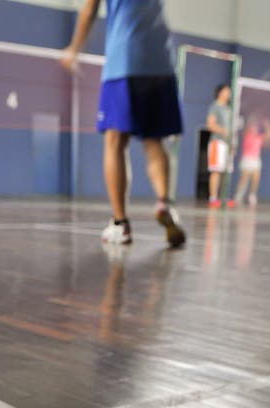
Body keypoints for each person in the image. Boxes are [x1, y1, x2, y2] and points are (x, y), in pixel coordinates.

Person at [62, 0, 186, 247]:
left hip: (126, 56)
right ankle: (165, 203)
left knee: (115, 140)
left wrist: (74, 48)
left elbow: (90, 8)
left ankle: (120, 223)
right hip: (161, 58)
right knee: (154, 140)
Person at [235, 113, 270, 206]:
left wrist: (268, 126)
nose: (254, 128)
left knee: (256, 178)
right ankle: (238, 196)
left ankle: (252, 195)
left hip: (255, 159)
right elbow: (247, 127)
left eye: (255, 127)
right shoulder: (247, 136)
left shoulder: (259, 137)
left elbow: (269, 135)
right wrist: (250, 121)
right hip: (247, 159)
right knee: (244, 178)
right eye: (252, 127)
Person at [206, 84, 232, 208]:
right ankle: (213, 198)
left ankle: (223, 197)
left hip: (227, 144)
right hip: (218, 143)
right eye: (226, 91)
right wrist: (223, 131)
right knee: (216, 170)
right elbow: (210, 125)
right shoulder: (214, 106)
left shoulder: (229, 109)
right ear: (220, 92)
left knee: (225, 172)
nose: (229, 93)